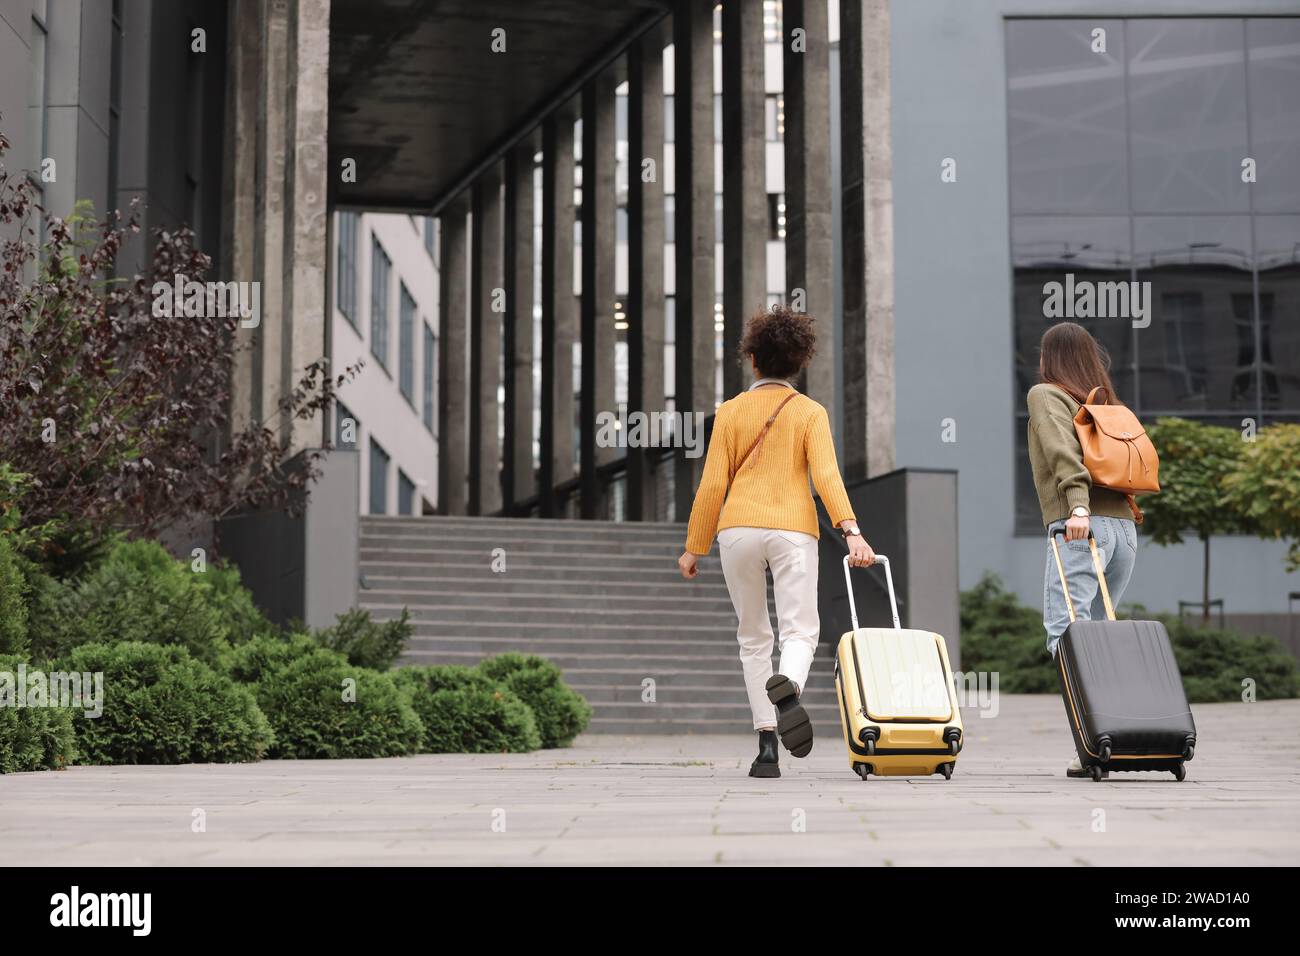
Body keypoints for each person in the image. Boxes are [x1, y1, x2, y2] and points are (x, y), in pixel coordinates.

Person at [677, 305, 874, 778]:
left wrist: (694, 545)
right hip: (792, 529)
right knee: (800, 629)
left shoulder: (730, 412)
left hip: (737, 530)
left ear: (752, 358)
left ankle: (767, 746)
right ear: (800, 361)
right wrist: (851, 530)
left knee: (752, 636)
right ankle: (790, 686)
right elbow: (826, 475)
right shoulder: (810, 412)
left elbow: (711, 484)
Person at [1027, 321, 1138, 779]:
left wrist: (1076, 508)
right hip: (1125, 531)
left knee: (1067, 640)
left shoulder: (1046, 394)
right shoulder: (1103, 401)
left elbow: (1062, 456)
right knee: (1099, 642)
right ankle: (1124, 735)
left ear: (1048, 358)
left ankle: (1097, 745)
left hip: (1080, 528)